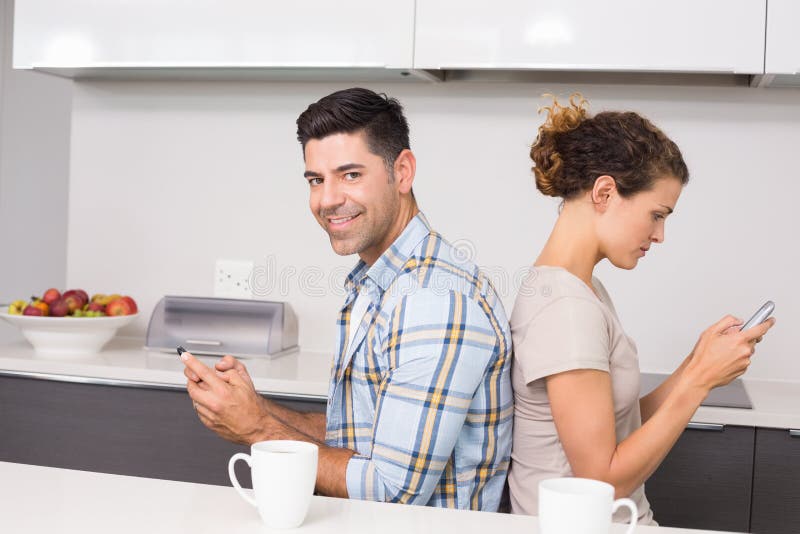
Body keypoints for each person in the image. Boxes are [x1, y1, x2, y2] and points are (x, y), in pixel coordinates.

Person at [181, 87, 513, 510]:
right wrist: (255, 407)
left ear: (403, 172)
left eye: (350, 175)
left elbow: (391, 491)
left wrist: (258, 428)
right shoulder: (381, 281)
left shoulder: (434, 300)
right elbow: (362, 438)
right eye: (316, 180)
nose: (328, 200)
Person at [507, 94, 775, 524]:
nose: (660, 234)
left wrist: (695, 364)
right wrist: (701, 381)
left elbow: (621, 425)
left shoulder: (577, 290)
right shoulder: (565, 309)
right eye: (656, 215)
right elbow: (601, 482)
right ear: (605, 192)